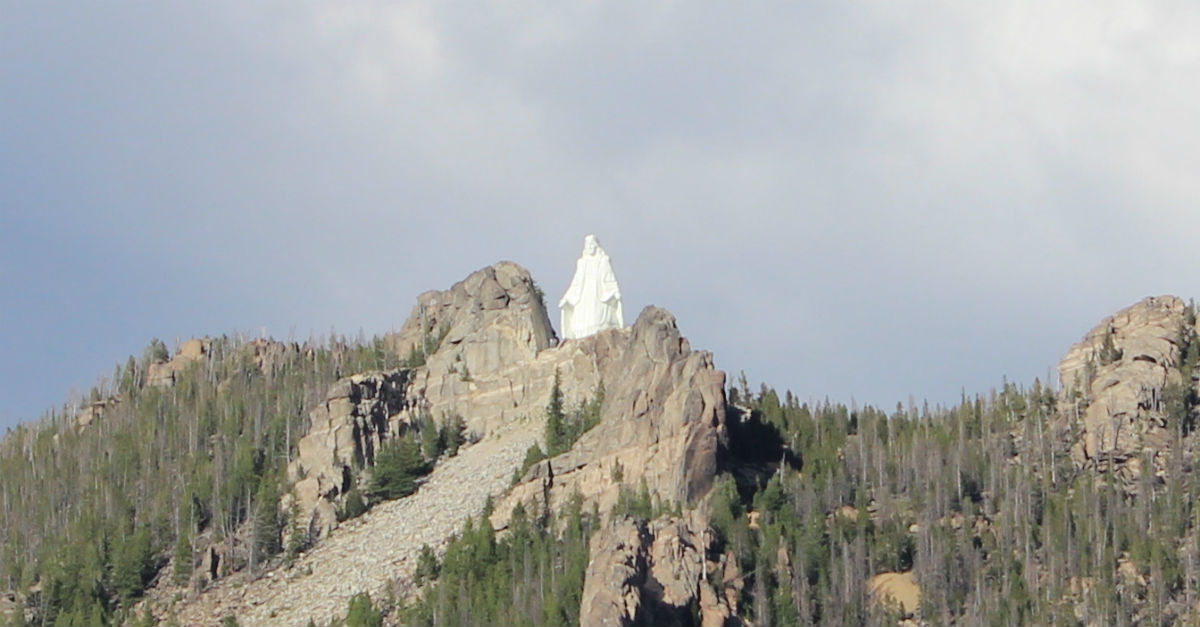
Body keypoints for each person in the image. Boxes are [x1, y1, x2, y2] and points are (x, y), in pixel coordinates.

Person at [559, 234, 624, 339]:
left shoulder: (603, 260)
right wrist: (567, 297)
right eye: (587, 245)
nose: (589, 247)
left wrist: (615, 291)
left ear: (596, 246)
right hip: (584, 293)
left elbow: (609, 278)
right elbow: (576, 282)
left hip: (598, 292)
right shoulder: (581, 263)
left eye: (591, 245)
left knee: (596, 314)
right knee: (583, 316)